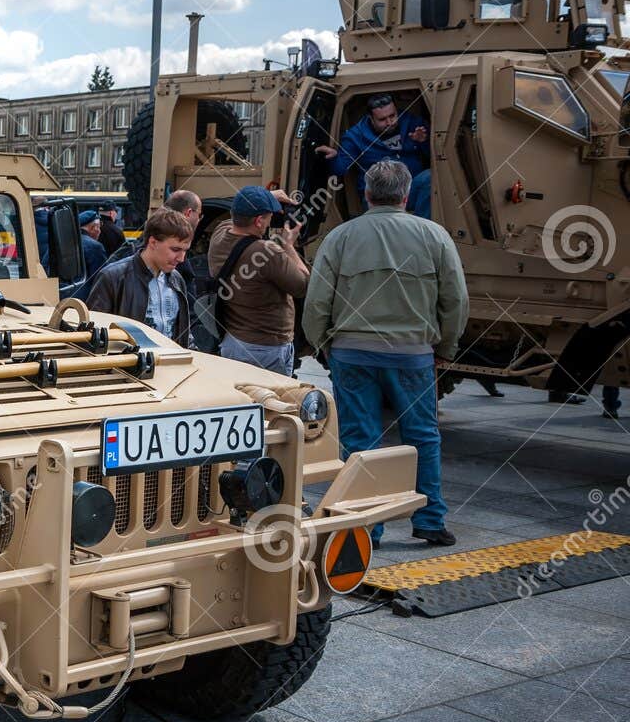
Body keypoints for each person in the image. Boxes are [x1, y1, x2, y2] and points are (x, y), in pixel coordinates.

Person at [303, 160, 468, 546]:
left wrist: (325, 346)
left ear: (366, 193)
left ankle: (365, 526)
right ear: (406, 195)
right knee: (423, 437)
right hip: (413, 355)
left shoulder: (340, 237)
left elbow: (316, 302)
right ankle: (429, 520)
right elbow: (455, 300)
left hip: (352, 354)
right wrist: (444, 348)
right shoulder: (435, 236)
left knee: (360, 441)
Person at [209, 185, 309, 376]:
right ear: (258, 221)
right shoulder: (266, 252)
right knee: (273, 404)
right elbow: (303, 285)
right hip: (266, 350)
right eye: (269, 216)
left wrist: (265, 197)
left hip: (233, 342)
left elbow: (236, 214)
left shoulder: (219, 235)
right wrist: (288, 245)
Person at [86, 206, 193, 344]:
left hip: (170, 362)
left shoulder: (177, 279)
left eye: (185, 251)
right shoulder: (113, 277)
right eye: (175, 249)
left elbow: (184, 332)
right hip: (127, 363)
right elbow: (92, 336)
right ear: (153, 242)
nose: (181, 258)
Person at [316, 93, 432, 218]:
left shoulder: (411, 122)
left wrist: (424, 142)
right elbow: (340, 169)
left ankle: (420, 228)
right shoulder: (355, 136)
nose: (390, 122)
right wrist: (333, 157)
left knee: (430, 177)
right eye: (382, 119)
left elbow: (436, 155)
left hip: (409, 188)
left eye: (392, 116)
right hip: (378, 195)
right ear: (371, 118)